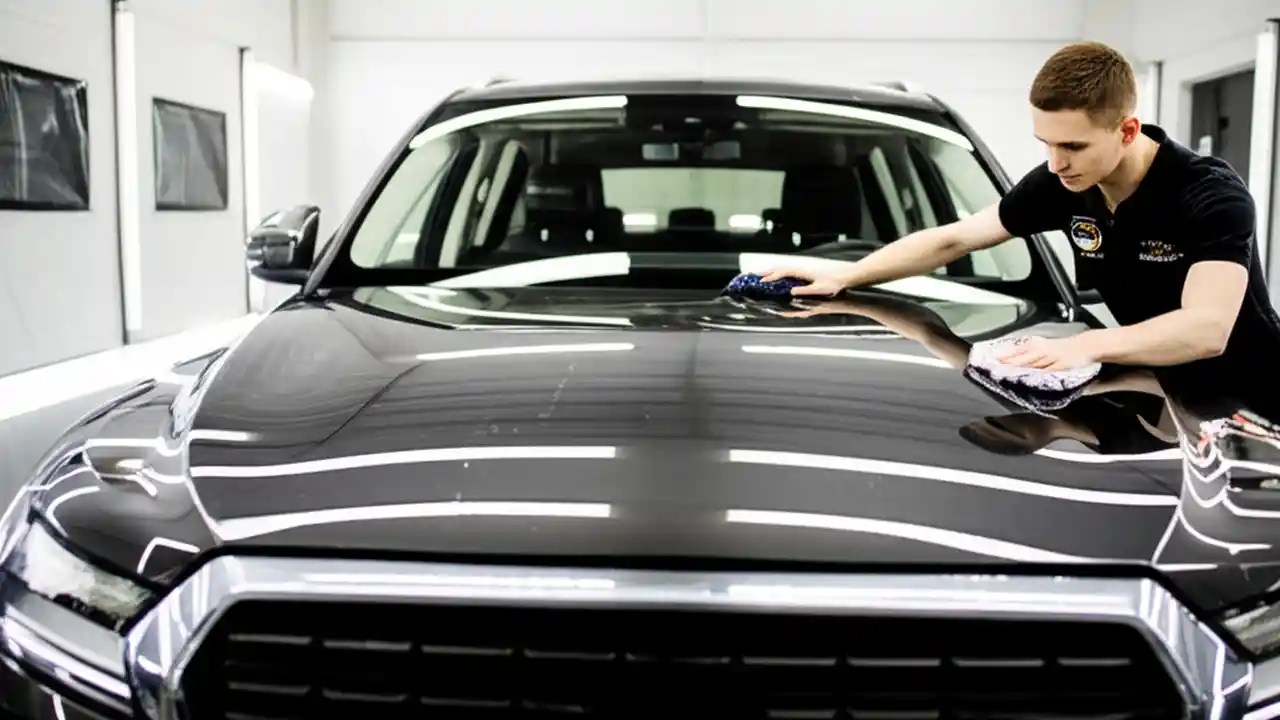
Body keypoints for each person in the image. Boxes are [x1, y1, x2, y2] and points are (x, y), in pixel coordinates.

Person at [762, 41, 1280, 411]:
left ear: (1127, 130)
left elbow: (1206, 330)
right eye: (1045, 145)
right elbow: (955, 238)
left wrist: (1080, 346)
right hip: (1154, 393)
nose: (1056, 164)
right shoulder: (1066, 182)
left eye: (1072, 146)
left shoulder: (1209, 195)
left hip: (1248, 399)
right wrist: (846, 278)